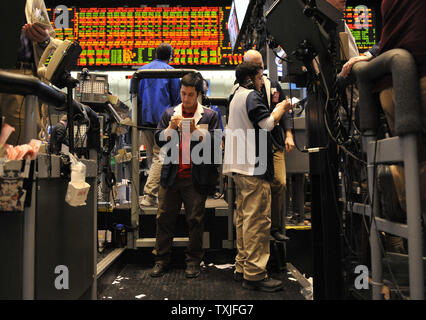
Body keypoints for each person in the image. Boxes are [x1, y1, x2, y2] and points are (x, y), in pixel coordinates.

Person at [223, 61, 292, 292]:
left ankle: (242, 266)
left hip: (239, 166)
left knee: (243, 218)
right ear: (251, 78)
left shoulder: (235, 96)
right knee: (257, 221)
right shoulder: (251, 96)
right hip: (253, 166)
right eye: (260, 77)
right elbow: (267, 124)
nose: (262, 81)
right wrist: (281, 108)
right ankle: (255, 274)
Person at [150, 72, 220, 279]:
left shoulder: (209, 116)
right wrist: (171, 128)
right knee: (163, 218)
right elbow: (159, 140)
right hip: (171, 175)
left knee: (195, 220)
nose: (186, 99)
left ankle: (193, 261)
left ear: (198, 94)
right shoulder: (170, 113)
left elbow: (216, 145)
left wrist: (195, 129)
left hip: (195, 177)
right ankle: (161, 260)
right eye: (183, 94)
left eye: (190, 94)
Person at [243, 49, 294, 241]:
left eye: (261, 66)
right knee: (258, 188)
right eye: (256, 67)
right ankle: (260, 228)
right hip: (253, 145)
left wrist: (288, 134)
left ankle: (275, 227)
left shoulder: (272, 85)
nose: (260, 71)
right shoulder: (241, 90)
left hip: (274, 142)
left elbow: (285, 109)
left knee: (279, 183)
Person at [0, 0, 55, 145]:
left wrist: (44, 39)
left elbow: (49, 38)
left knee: (20, 149)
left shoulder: (34, 1)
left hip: (19, 78)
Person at [136, 43, 181, 207]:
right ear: (170, 55)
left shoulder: (141, 71)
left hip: (144, 121)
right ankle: (149, 195)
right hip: (164, 122)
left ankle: (154, 195)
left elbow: (136, 96)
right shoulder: (172, 72)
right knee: (160, 157)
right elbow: (177, 99)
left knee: (152, 158)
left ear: (155, 54)